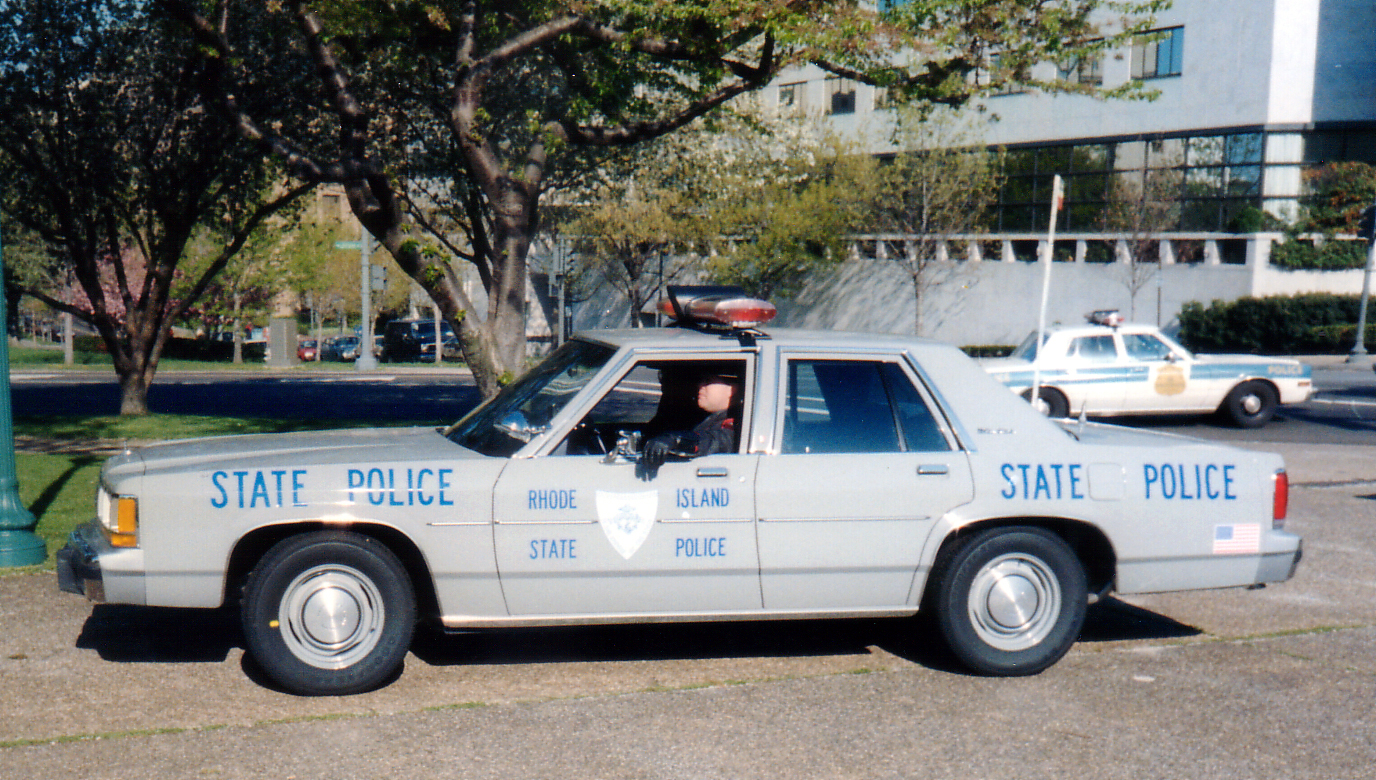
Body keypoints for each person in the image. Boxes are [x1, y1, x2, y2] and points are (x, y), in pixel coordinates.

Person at [640, 370, 741, 471]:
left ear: (733, 389)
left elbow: (714, 441)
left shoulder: (736, 424)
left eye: (708, 381)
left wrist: (676, 440)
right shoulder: (700, 416)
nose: (700, 385)